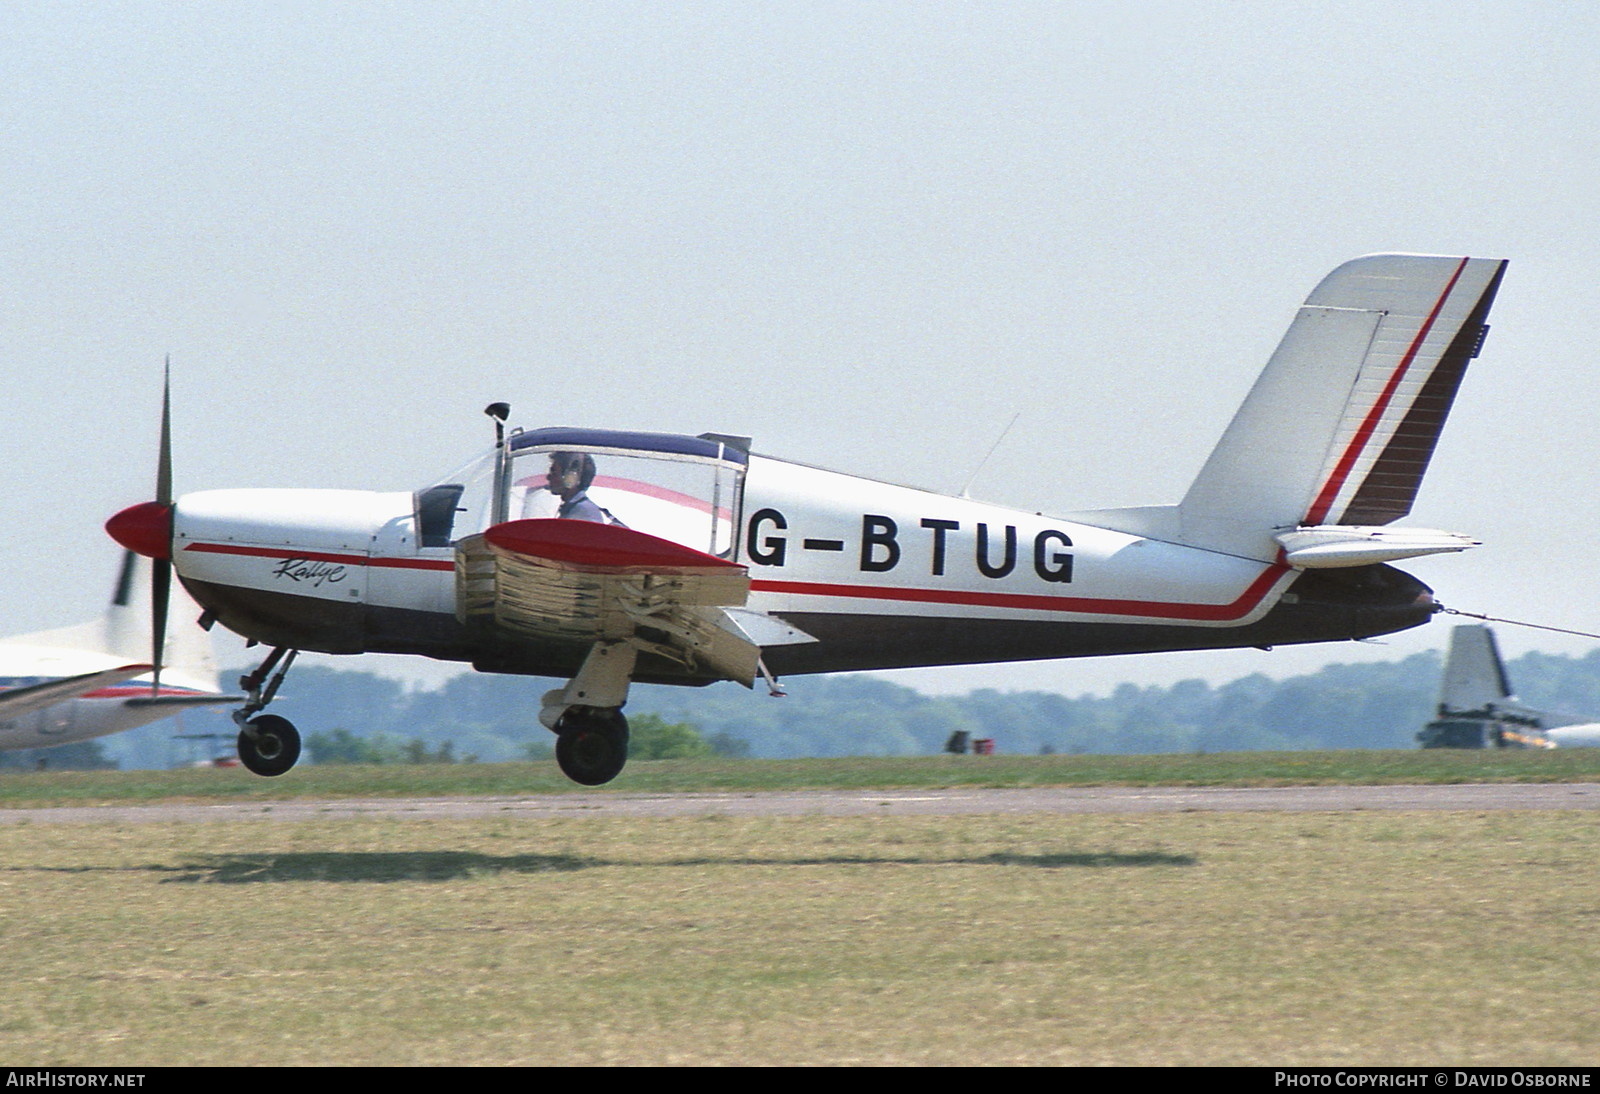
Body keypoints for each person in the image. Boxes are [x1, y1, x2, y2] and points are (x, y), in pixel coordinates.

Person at [547, 452, 607, 522]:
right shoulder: (573, 509)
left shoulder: (583, 512)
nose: (548, 477)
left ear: (570, 477)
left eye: (554, 472)